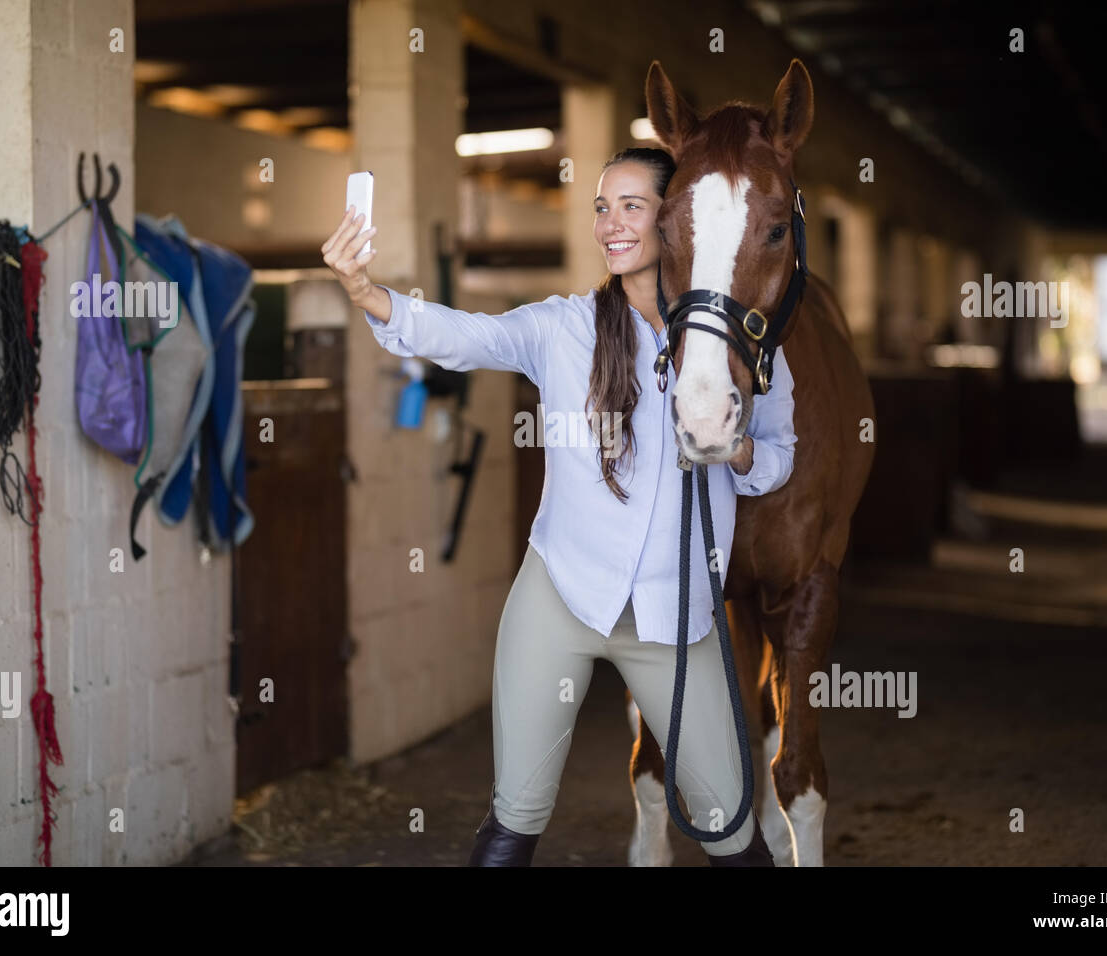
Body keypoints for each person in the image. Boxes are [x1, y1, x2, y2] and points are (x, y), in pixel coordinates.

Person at [322, 147, 797, 866]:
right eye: (602, 207)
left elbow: (780, 457)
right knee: (512, 824)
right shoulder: (563, 327)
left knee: (731, 832)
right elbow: (462, 336)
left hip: (675, 616)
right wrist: (365, 292)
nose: (610, 223)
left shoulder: (743, 340)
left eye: (632, 206)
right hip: (559, 597)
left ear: (673, 222)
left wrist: (736, 452)